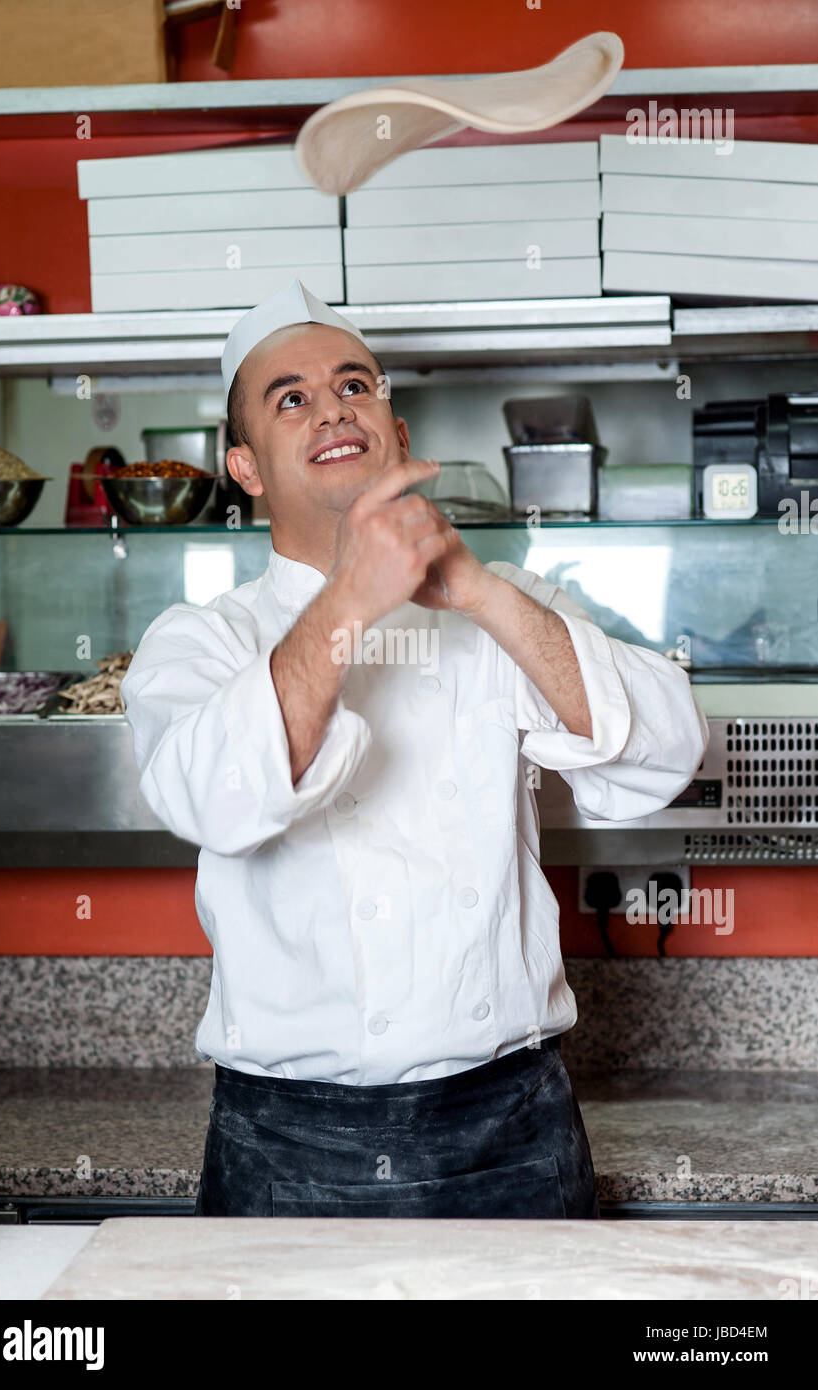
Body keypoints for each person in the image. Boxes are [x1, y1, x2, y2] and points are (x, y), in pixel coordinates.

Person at [121, 279, 709, 1219]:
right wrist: (352, 596)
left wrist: (477, 591)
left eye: (356, 386)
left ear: (394, 430)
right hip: (286, 1141)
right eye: (292, 399)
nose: (333, 409)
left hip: (510, 1124)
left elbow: (666, 753)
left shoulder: (505, 599)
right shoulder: (199, 641)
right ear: (246, 469)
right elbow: (216, 800)